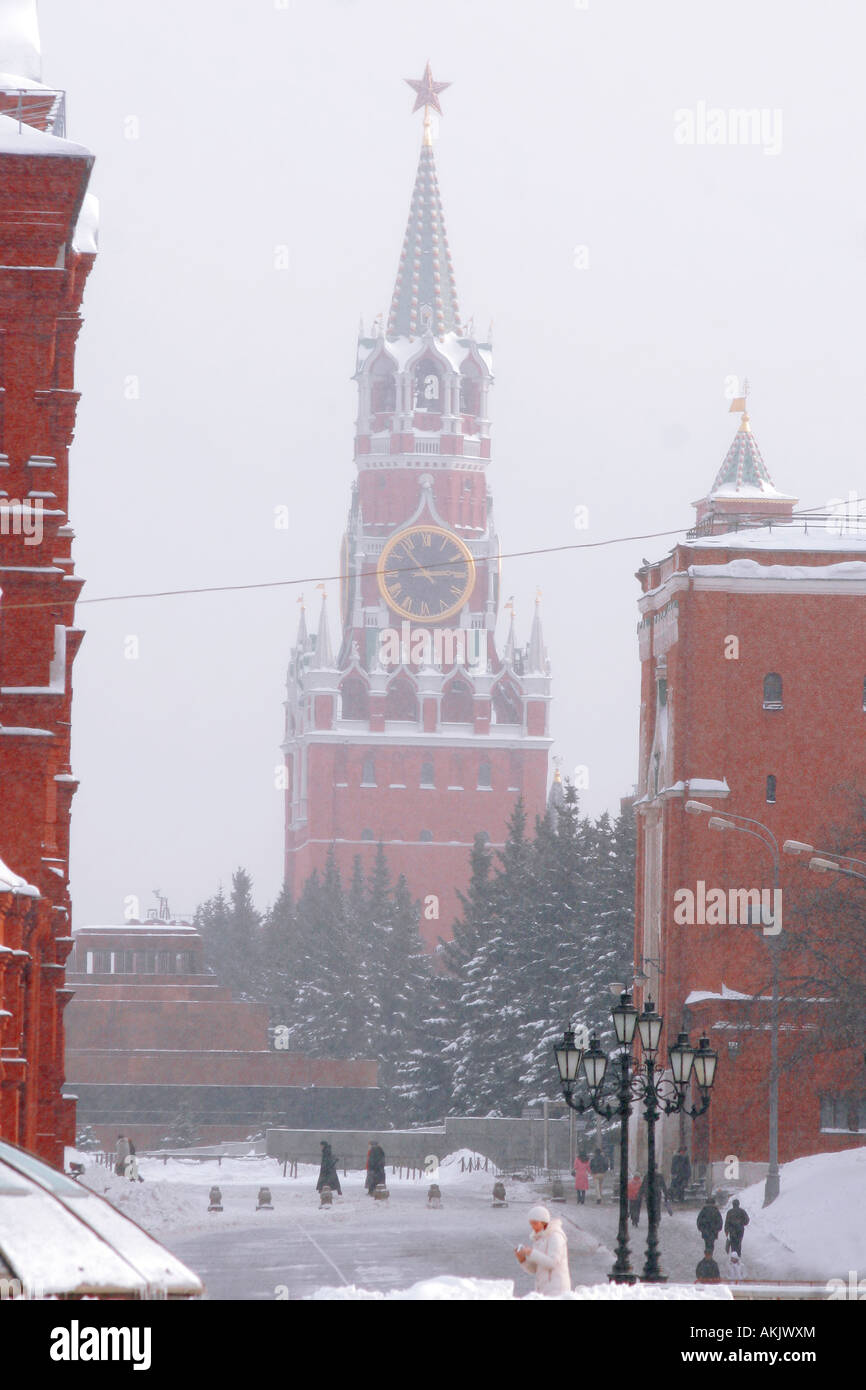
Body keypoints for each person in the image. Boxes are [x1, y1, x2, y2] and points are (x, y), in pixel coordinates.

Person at [514, 1204, 572, 1296]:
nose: (533, 1227)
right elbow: (534, 1270)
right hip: (543, 1290)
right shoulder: (538, 1239)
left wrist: (531, 1252)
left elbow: (552, 1263)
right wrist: (522, 1259)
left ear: (544, 1222)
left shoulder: (555, 1236)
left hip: (557, 1291)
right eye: (531, 1223)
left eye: (535, 1223)